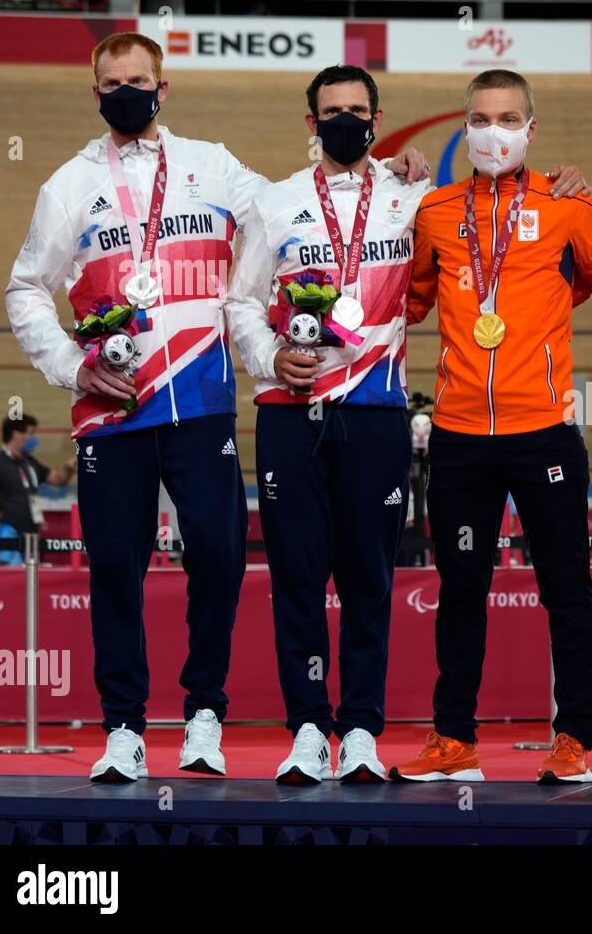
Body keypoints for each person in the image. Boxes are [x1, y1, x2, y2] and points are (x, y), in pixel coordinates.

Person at [4, 32, 428, 783]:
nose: (127, 90)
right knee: (115, 569)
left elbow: (296, 210)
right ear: (96, 92)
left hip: (201, 404)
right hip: (113, 409)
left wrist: (382, 174)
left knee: (220, 558)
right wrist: (72, 367)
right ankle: (124, 729)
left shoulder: (213, 166)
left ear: (163, 90)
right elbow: (26, 287)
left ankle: (204, 715)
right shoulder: (69, 184)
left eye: (140, 79)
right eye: (113, 82)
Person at [390, 69, 592, 785]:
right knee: (461, 589)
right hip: (460, 434)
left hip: (545, 433)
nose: (492, 131)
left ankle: (574, 741)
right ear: (464, 128)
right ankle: (453, 740)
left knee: (568, 588)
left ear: (531, 129)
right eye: (480, 119)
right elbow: (407, 304)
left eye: (507, 118)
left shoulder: (568, 209)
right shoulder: (435, 212)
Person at [225, 65, 430, 784]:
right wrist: (271, 358)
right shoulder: (275, 203)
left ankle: (364, 730)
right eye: (330, 111)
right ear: (311, 124)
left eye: (357, 110)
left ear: (376, 118)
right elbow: (241, 301)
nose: (344, 120)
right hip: (290, 414)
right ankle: (309, 726)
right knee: (298, 578)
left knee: (371, 579)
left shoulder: (413, 198)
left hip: (376, 412)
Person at [0, 415, 75, 566]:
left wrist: (68, 468)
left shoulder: (30, 462)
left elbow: (58, 479)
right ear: (16, 434)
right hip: (6, 542)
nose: (34, 438)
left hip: (31, 539)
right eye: (31, 433)